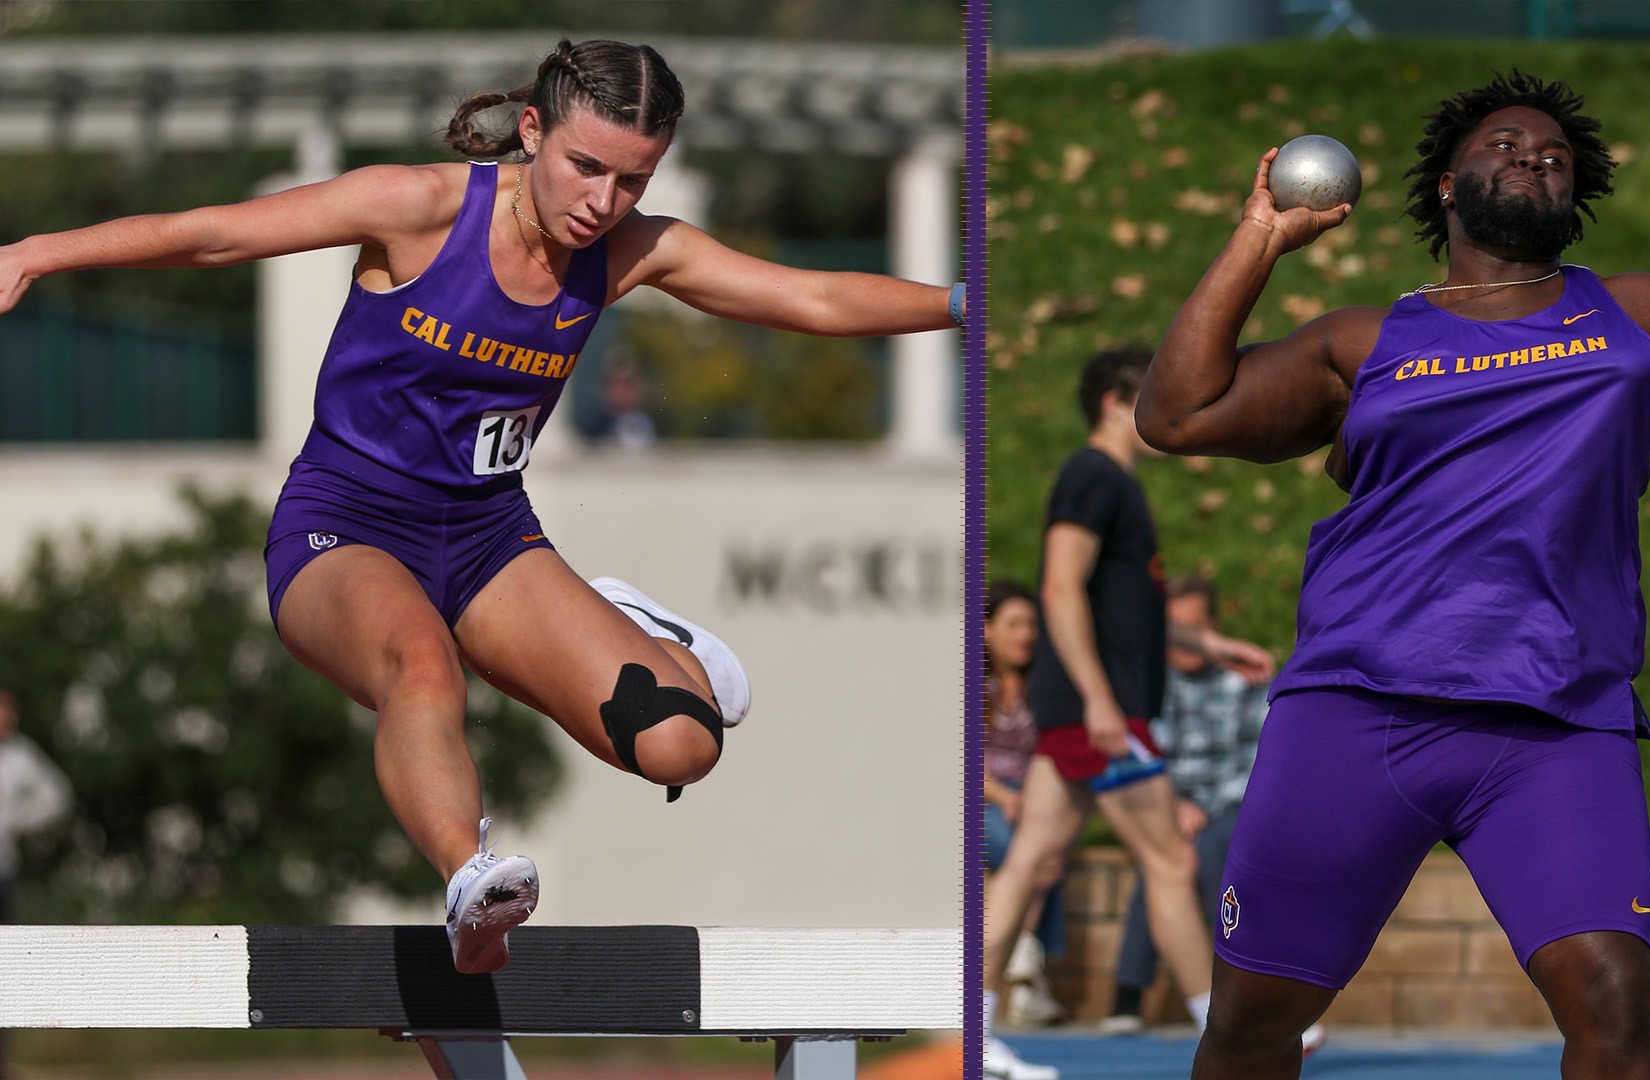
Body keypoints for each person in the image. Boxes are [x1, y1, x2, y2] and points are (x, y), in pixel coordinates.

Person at [0, 39, 962, 974]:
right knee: (420, 667)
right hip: (345, 528)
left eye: (634, 180)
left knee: (682, 746)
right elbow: (217, 234)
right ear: (533, 131)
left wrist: (966, 300)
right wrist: (38, 252)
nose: (603, 203)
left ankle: (637, 626)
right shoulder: (417, 208)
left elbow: (815, 299)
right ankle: (472, 878)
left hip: (491, 538)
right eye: (586, 167)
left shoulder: (629, 254)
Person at [1134, 69, 1650, 1080]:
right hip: (1357, 710)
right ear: (1450, 185)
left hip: (1554, 727)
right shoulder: (1364, 341)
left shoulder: (1642, 317)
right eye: (1504, 143)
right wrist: (1260, 240)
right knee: (1249, 1027)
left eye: (1554, 154)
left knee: (1616, 1018)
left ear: (1574, 196)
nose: (1534, 155)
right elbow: (1178, 413)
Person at [984, 348, 1276, 1080]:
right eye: (1154, 395)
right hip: (1102, 711)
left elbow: (1128, 612)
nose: (1171, 410)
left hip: (1097, 707)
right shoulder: (1094, 477)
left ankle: (971, 1028)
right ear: (1116, 403)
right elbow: (1059, 589)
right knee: (1169, 861)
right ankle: (1232, 1037)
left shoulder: (1117, 487)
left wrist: (1208, 642)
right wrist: (1099, 700)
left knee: (1031, 861)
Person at [1101, 575, 1322, 1055]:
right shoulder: (1150, 682)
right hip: (1167, 803)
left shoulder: (1242, 682)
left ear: (1213, 628)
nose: (1184, 640)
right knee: (1168, 855)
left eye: (1195, 626)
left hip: (1230, 806)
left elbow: (1261, 759)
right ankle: (1217, 1003)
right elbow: (1145, 752)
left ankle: (1138, 990)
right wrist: (1172, 806)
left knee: (1195, 851)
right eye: (1175, 628)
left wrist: (1202, 807)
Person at [982, 578, 1067, 1028]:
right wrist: (1004, 795)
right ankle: (1025, 969)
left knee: (1045, 847)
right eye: (1014, 623)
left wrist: (1033, 800)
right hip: (978, 801)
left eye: (1032, 624)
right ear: (987, 630)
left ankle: (1021, 963)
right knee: (1025, 851)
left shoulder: (1045, 688)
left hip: (1028, 799)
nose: (1025, 634)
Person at [0, 687, 74, 1079]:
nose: (6, 720)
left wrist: (18, 821)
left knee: (3, 971)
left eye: (10, 713)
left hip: (3, 875)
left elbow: (57, 795)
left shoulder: (20, 755)